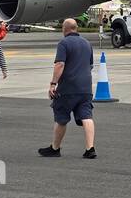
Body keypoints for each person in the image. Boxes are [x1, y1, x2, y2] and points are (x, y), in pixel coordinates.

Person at [39, 18, 96, 159]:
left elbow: (60, 64)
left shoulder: (64, 43)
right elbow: (90, 65)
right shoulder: (87, 43)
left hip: (68, 87)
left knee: (61, 118)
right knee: (86, 116)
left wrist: (53, 84)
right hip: (86, 88)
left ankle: (55, 148)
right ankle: (90, 148)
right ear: (76, 28)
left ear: (64, 29)